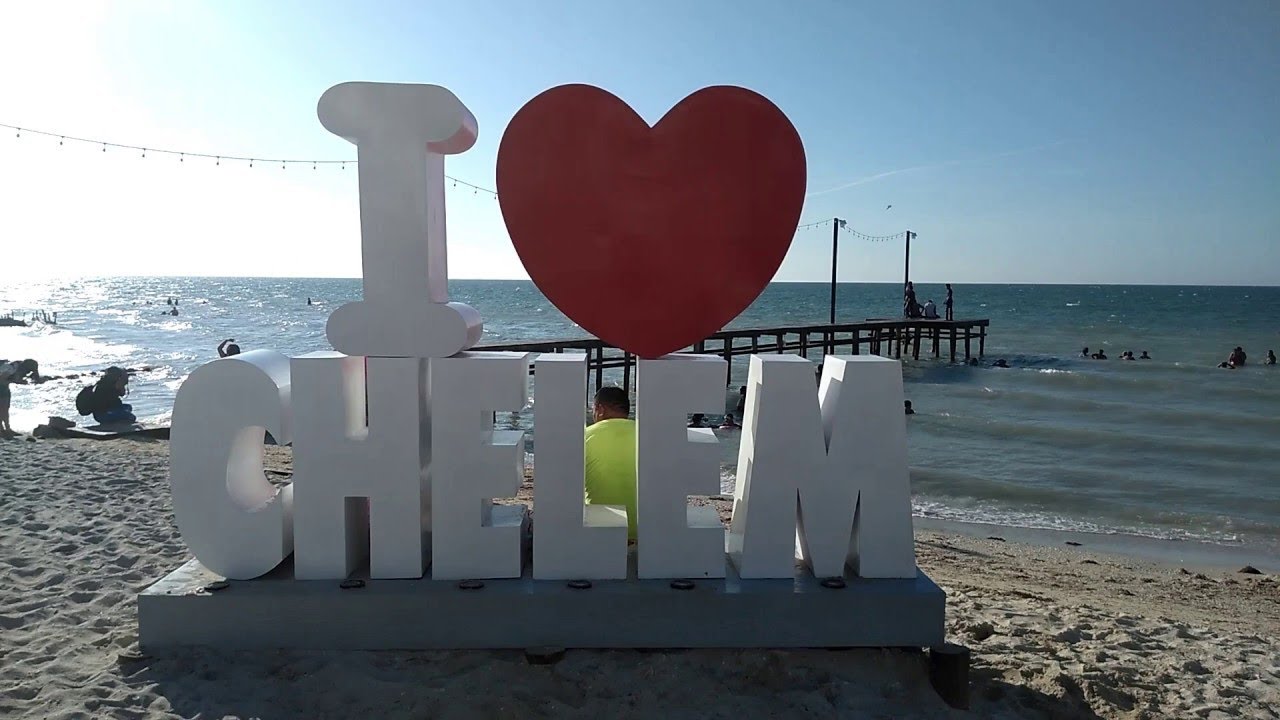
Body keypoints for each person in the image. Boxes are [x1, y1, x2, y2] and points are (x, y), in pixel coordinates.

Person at [584, 386, 637, 539]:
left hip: (600, 530)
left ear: (600, 409)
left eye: (593, 409)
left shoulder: (585, 436)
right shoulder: (645, 434)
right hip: (642, 529)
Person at [0, 359, 41, 437]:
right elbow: (1, 380)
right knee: (2, 409)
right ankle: (2, 430)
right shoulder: (10, 368)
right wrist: (16, 381)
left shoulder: (18, 368)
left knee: (5, 409)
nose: (28, 373)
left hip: (4, 388)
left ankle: (7, 429)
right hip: (1, 387)